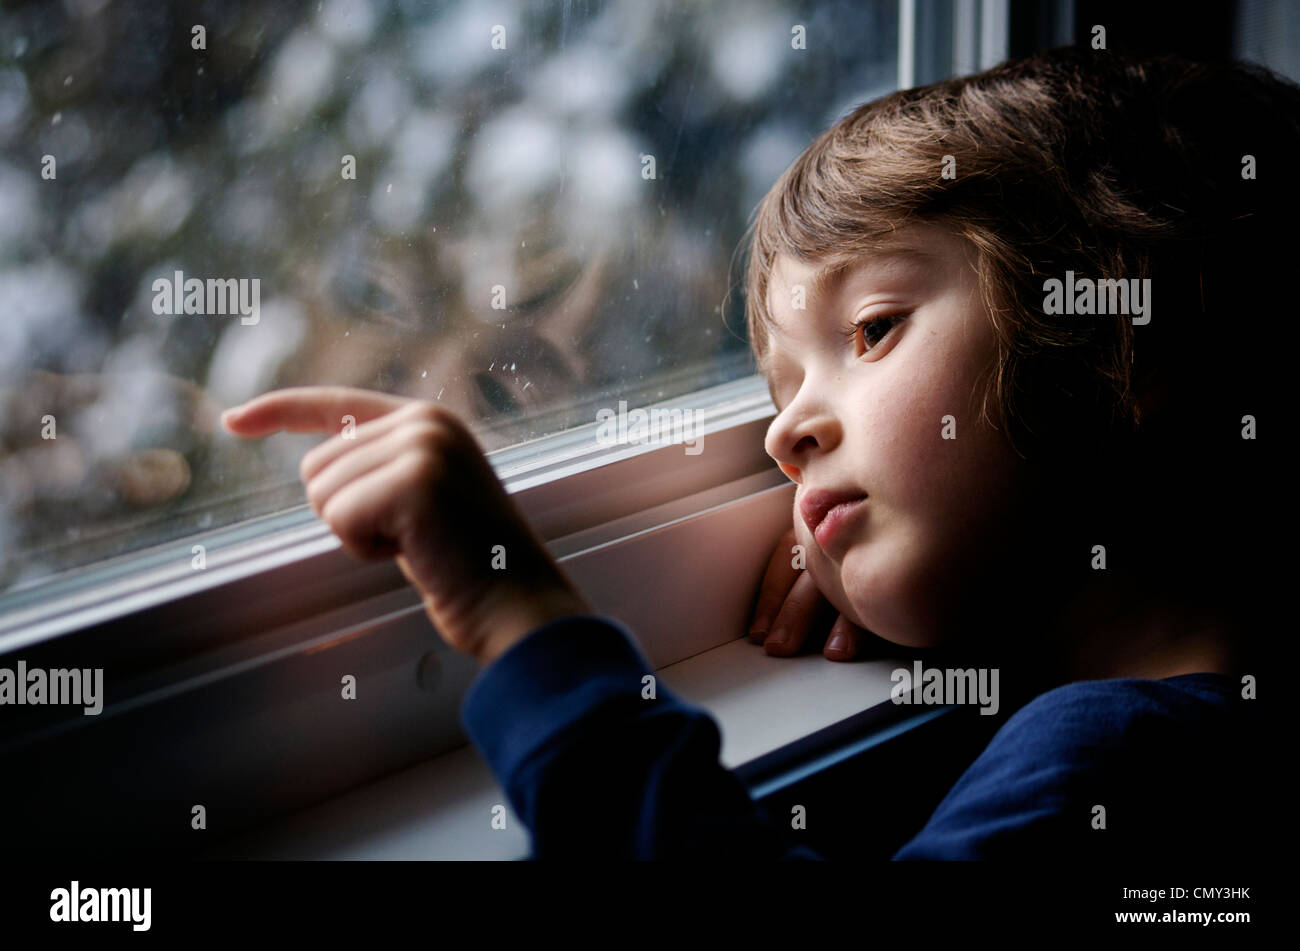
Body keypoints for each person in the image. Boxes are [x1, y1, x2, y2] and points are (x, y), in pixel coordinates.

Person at [221, 47, 1287, 860]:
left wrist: (522, 623)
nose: (784, 434)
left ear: (1122, 343)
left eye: (871, 330)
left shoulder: (1107, 763)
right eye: (781, 391)